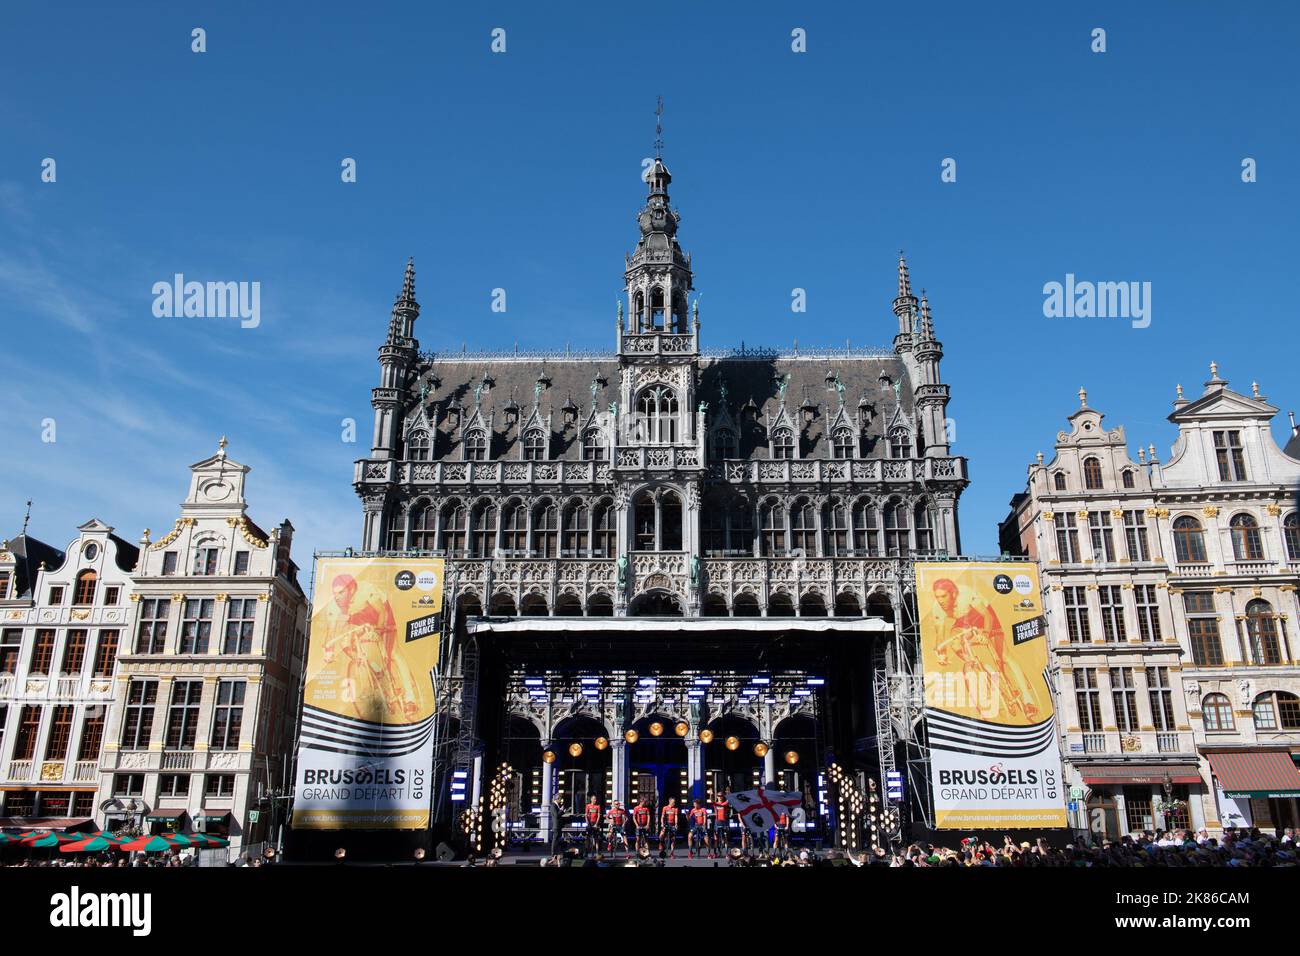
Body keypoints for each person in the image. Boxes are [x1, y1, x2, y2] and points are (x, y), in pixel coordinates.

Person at [711, 790, 731, 856]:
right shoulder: (716, 804)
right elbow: (712, 800)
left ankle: (727, 853)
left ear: (723, 797)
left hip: (724, 822)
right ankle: (715, 853)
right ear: (717, 797)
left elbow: (729, 800)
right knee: (716, 838)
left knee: (725, 838)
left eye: (721, 796)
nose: (720, 797)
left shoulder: (725, 803)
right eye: (718, 796)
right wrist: (711, 794)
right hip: (717, 821)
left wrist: (728, 793)